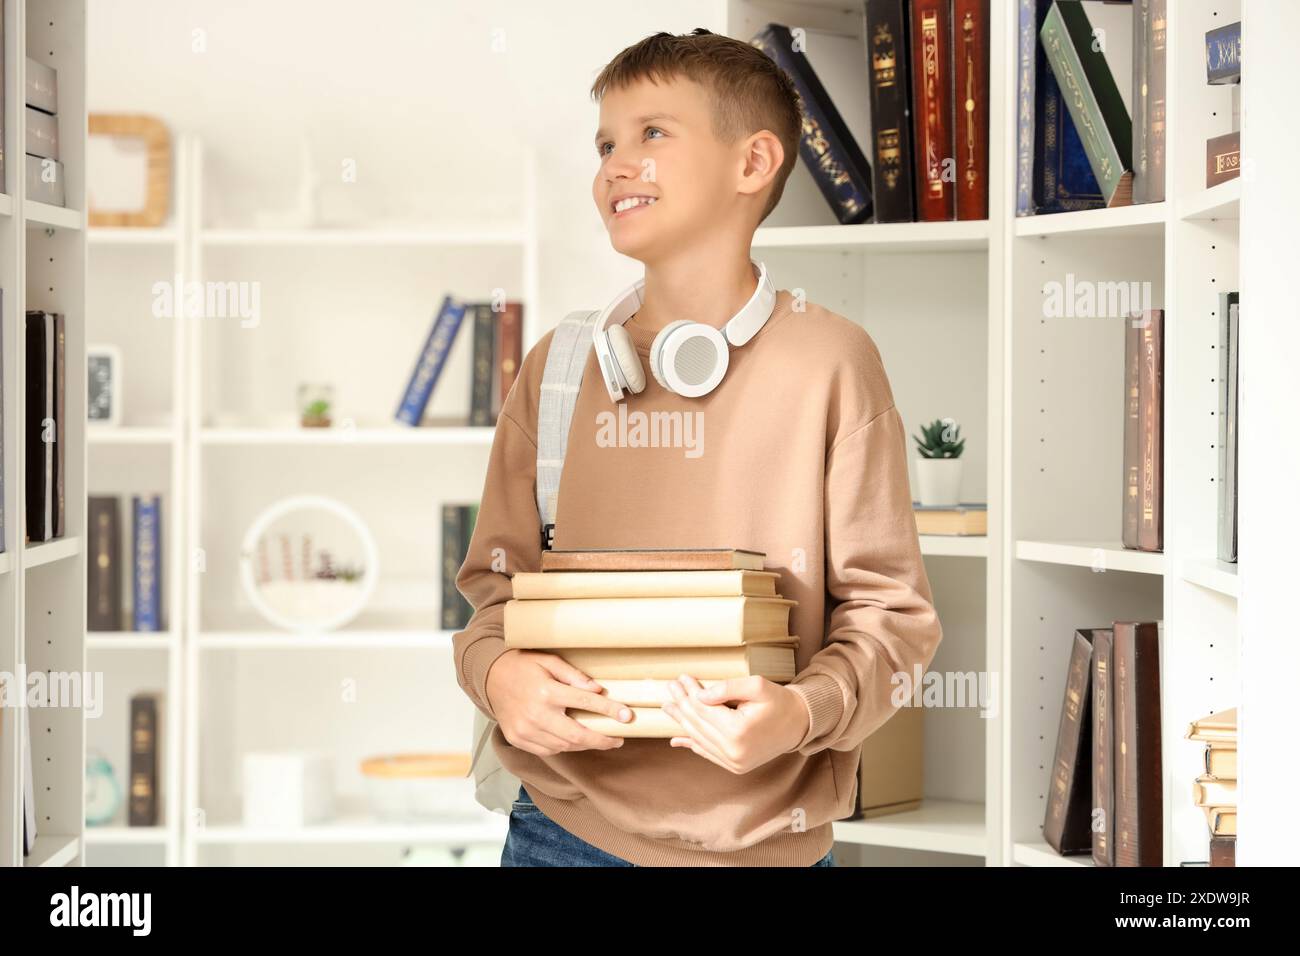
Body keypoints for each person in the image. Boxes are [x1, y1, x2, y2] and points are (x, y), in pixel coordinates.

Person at [452, 28, 943, 867]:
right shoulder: (560, 368)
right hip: (559, 832)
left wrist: (803, 712)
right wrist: (497, 676)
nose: (615, 164)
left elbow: (891, 620)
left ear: (753, 164)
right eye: (605, 142)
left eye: (652, 133)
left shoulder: (833, 362)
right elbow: (491, 594)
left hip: (765, 845)